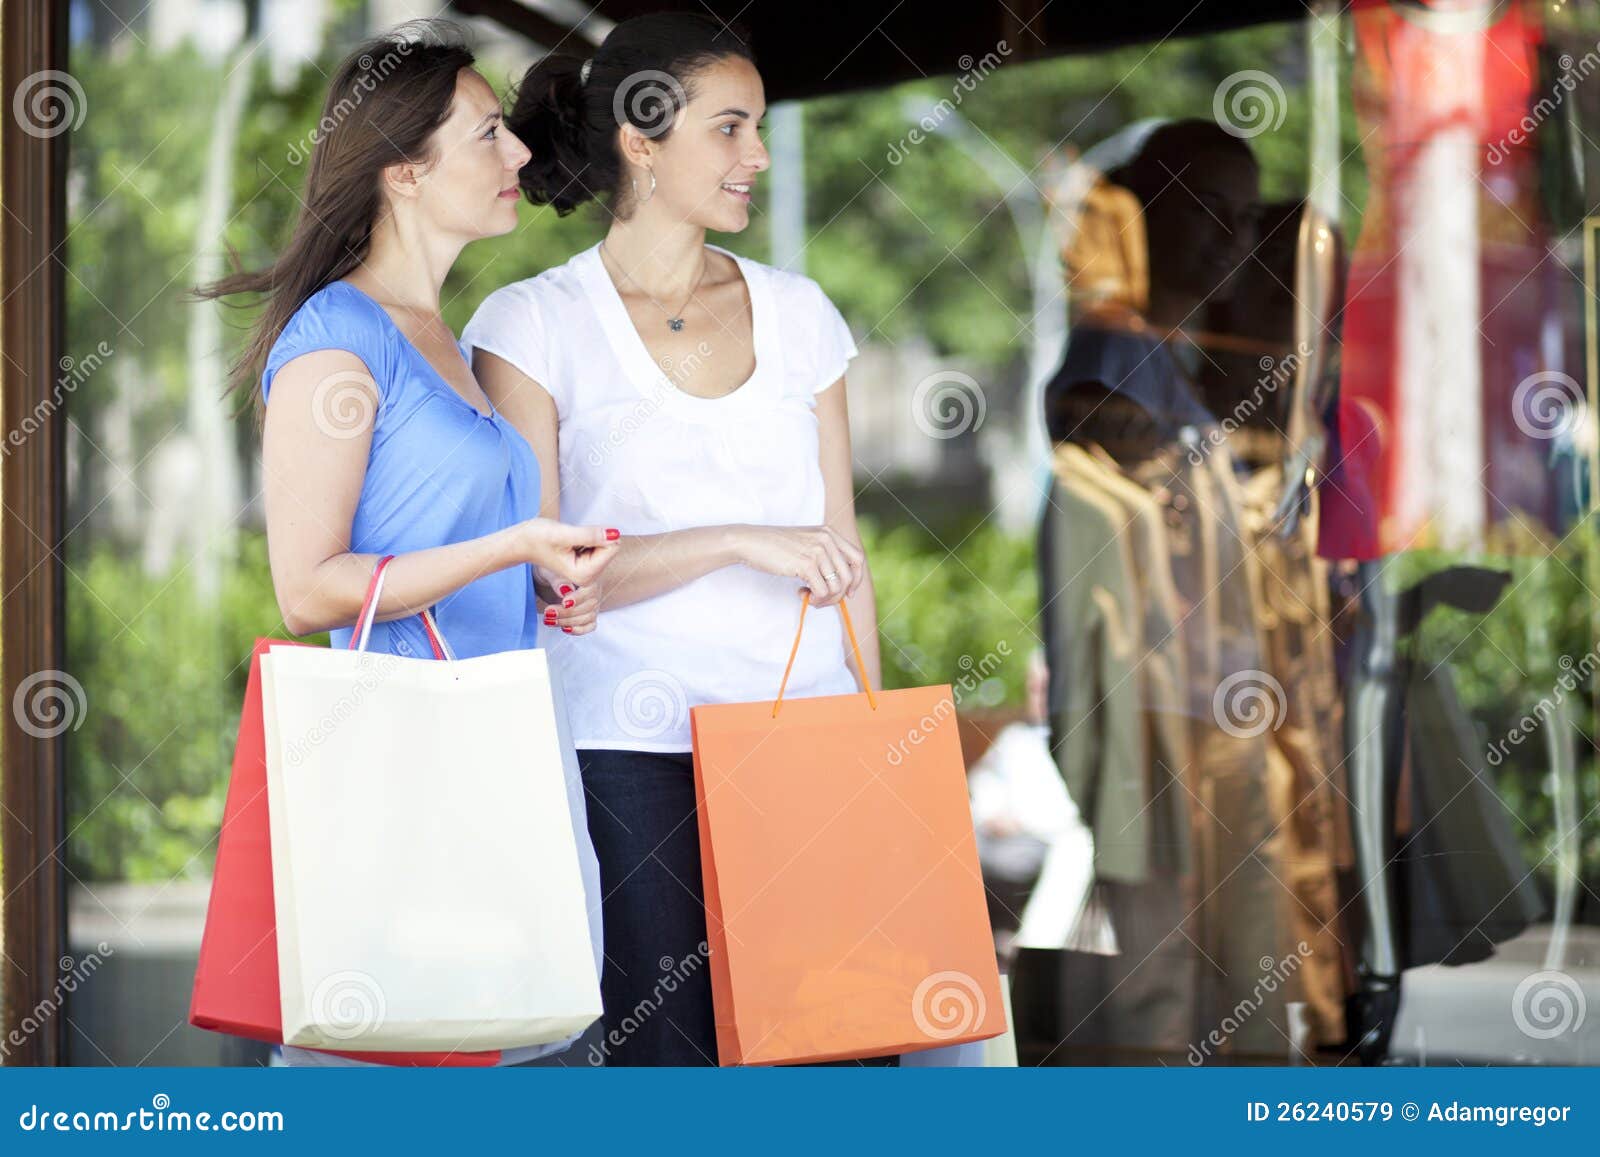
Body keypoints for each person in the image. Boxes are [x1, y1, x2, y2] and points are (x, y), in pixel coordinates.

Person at [195, 20, 618, 1066]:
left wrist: (546, 576)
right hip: (398, 776)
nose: (519, 152)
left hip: (503, 751)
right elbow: (308, 586)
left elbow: (465, 539)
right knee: (396, 1067)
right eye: (485, 135)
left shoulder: (458, 345)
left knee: (512, 1052)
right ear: (402, 171)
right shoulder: (338, 342)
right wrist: (509, 542)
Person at [463, 12, 882, 1066]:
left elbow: (843, 558)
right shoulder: (532, 325)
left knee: (834, 1064)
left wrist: (882, 748)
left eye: (759, 128)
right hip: (627, 751)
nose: (758, 157)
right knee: (675, 1062)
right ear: (642, 140)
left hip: (805, 738)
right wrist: (737, 538)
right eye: (731, 129)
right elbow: (551, 574)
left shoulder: (802, 315)